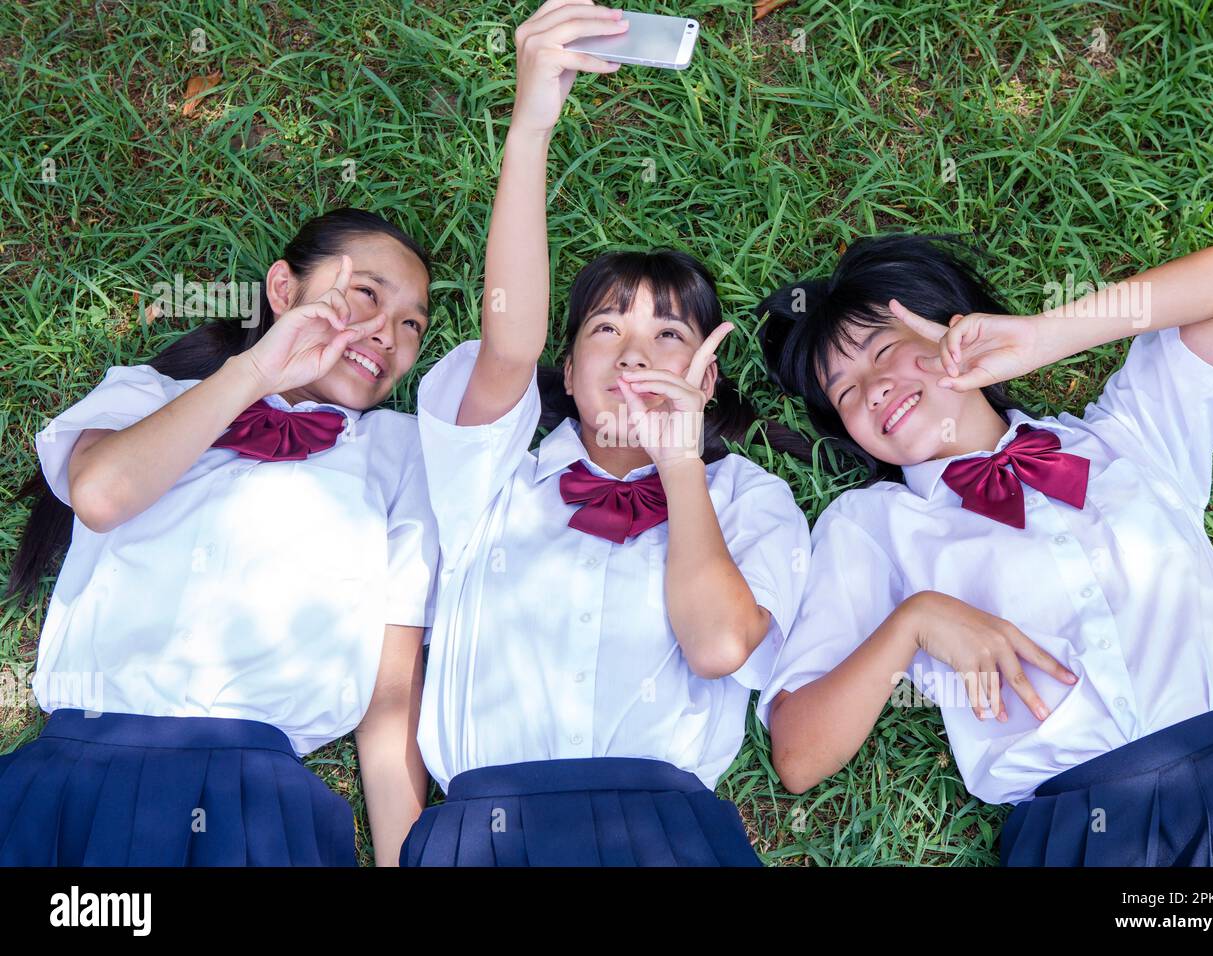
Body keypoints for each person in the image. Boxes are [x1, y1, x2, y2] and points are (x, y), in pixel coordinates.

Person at [401, 0, 811, 866]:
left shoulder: (748, 498)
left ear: (706, 366)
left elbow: (718, 647)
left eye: (668, 334)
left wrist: (681, 462)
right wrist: (530, 127)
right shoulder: (495, 472)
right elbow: (509, 336)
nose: (633, 354)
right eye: (605, 329)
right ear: (569, 364)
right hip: (486, 828)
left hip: (663, 833)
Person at [757, 233, 1213, 865]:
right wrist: (915, 621)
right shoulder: (872, 526)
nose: (872, 387)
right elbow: (798, 755)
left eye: (886, 351)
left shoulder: (1130, 434)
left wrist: (1043, 336)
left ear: (954, 330)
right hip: (1093, 832)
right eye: (845, 393)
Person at [2, 208, 438, 866]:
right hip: (76, 770)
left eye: (412, 324)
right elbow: (99, 495)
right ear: (285, 290)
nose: (387, 334)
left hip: (253, 797)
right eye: (367, 295)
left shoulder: (402, 454)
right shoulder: (145, 395)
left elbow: (391, 694)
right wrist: (257, 374)